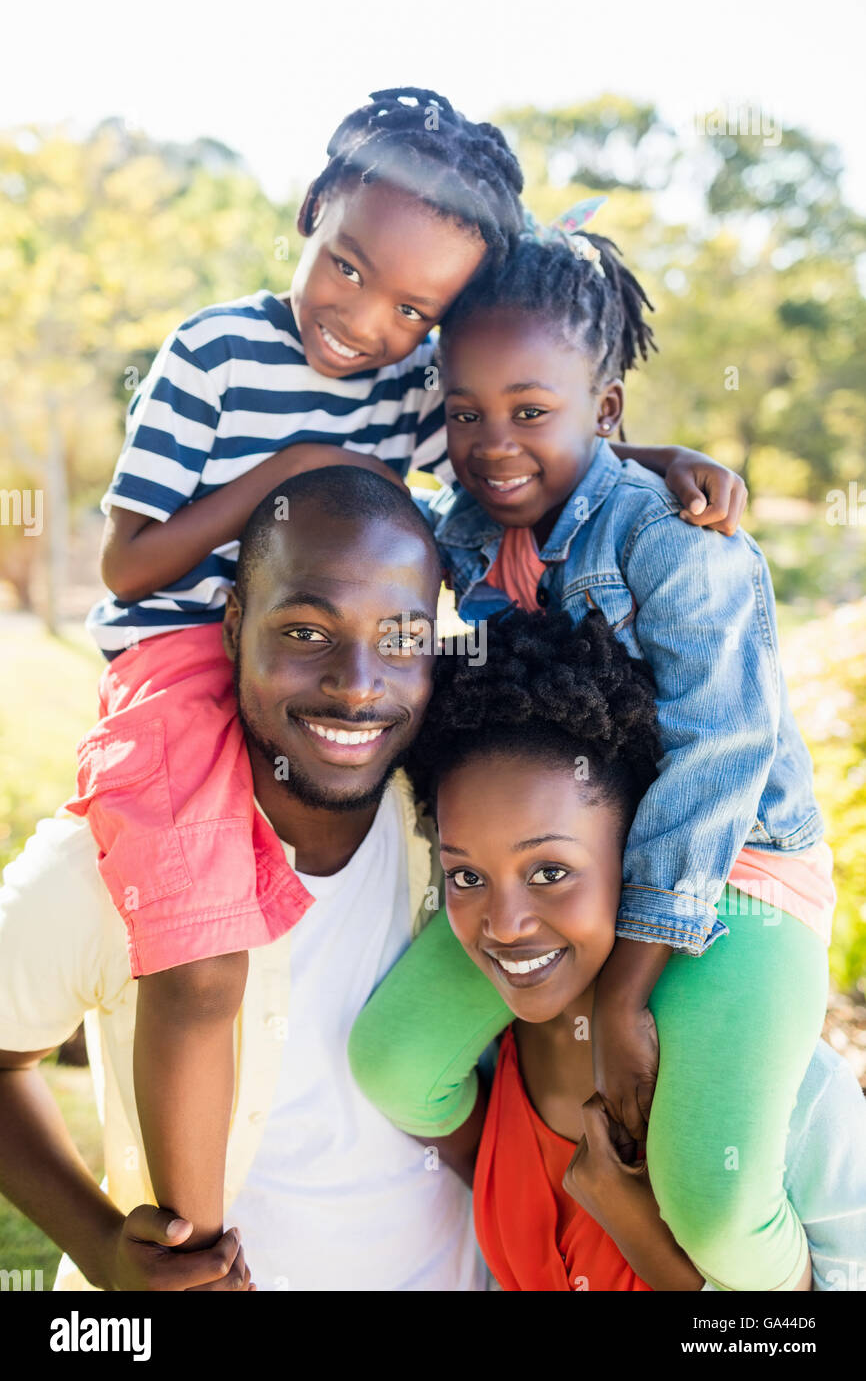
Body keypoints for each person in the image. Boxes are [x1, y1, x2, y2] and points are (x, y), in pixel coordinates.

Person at [66, 86, 746, 1250]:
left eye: (409, 309)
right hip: (185, 659)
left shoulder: (410, 384)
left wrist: (655, 454)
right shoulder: (213, 352)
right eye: (346, 266)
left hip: (338, 672)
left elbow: (521, 437)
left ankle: (514, 1208)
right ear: (309, 213)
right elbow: (128, 564)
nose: (364, 320)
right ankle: (188, 1246)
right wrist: (291, 469)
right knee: (202, 958)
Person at [349, 228, 834, 1291]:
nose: (491, 442)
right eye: (465, 414)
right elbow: (386, 549)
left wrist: (621, 996)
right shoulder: (469, 529)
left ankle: (789, 1295)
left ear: (604, 408)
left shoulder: (675, 543)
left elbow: (722, 753)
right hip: (554, 864)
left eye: (530, 412)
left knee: (709, 1200)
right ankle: (544, 1204)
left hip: (733, 869)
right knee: (393, 1058)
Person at [0, 467, 483, 1292]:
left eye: (400, 637)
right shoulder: (124, 859)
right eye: (305, 632)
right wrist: (98, 1245)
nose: (357, 683)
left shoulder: (464, 831)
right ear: (234, 627)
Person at [363, 607, 866, 1291]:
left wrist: (636, 1225)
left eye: (549, 872)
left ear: (637, 860)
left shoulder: (796, 1103)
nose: (505, 924)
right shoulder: (481, 1060)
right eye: (467, 877)